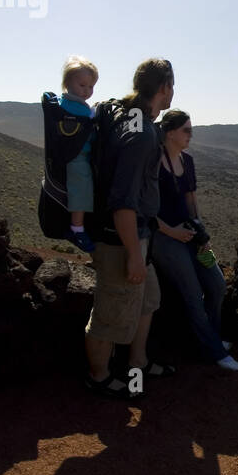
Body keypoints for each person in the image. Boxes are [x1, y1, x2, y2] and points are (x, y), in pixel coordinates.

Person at [83, 57, 175, 401]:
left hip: (138, 238)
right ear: (165, 87)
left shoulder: (121, 112)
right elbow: (123, 201)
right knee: (110, 312)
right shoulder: (141, 136)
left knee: (147, 300)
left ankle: (137, 363)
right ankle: (100, 377)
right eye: (171, 86)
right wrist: (135, 255)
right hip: (122, 240)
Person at [147, 109, 238, 373]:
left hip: (190, 235)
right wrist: (171, 231)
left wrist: (202, 235)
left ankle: (210, 337)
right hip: (164, 238)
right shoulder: (153, 162)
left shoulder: (187, 161)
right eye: (186, 130)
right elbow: (146, 208)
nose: (190, 135)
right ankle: (214, 351)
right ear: (170, 132)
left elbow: (191, 201)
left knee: (217, 284)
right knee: (192, 293)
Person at [38, 57, 100, 252]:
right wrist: (96, 114)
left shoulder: (62, 103)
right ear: (67, 83)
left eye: (91, 86)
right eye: (82, 85)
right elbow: (87, 121)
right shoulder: (74, 106)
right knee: (82, 187)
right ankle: (77, 228)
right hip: (77, 158)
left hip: (65, 157)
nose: (87, 90)